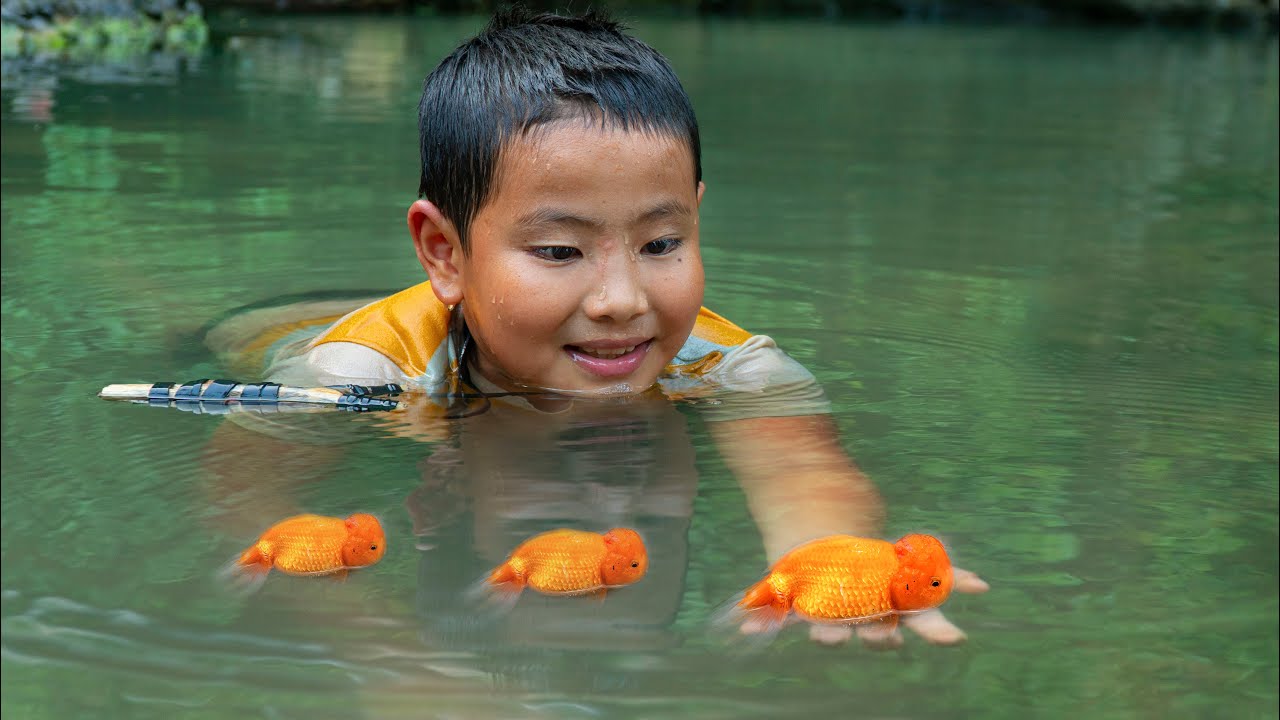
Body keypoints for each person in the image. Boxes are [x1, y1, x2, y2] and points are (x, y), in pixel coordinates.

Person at [205, 7, 987, 648]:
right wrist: (379, 653)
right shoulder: (355, 376)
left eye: (661, 244)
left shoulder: (727, 367)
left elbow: (802, 473)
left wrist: (833, 568)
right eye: (559, 250)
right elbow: (242, 496)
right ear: (445, 252)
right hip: (263, 333)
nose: (622, 299)